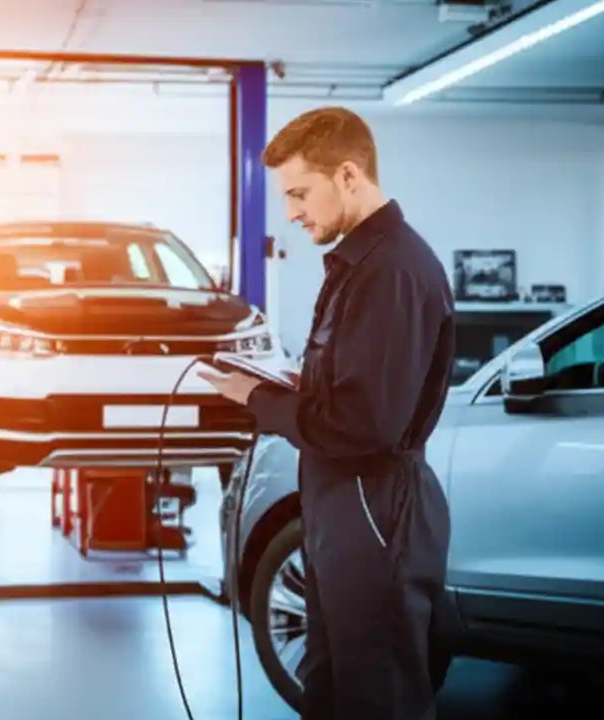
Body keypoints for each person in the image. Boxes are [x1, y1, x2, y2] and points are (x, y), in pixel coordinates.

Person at [200, 107, 457, 719]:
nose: (291, 213)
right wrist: (295, 383)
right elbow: (353, 387)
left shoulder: (391, 273)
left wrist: (256, 399)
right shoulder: (358, 266)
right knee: (330, 688)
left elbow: (364, 424)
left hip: (375, 511)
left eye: (298, 193)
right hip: (341, 510)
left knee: (377, 697)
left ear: (347, 175)